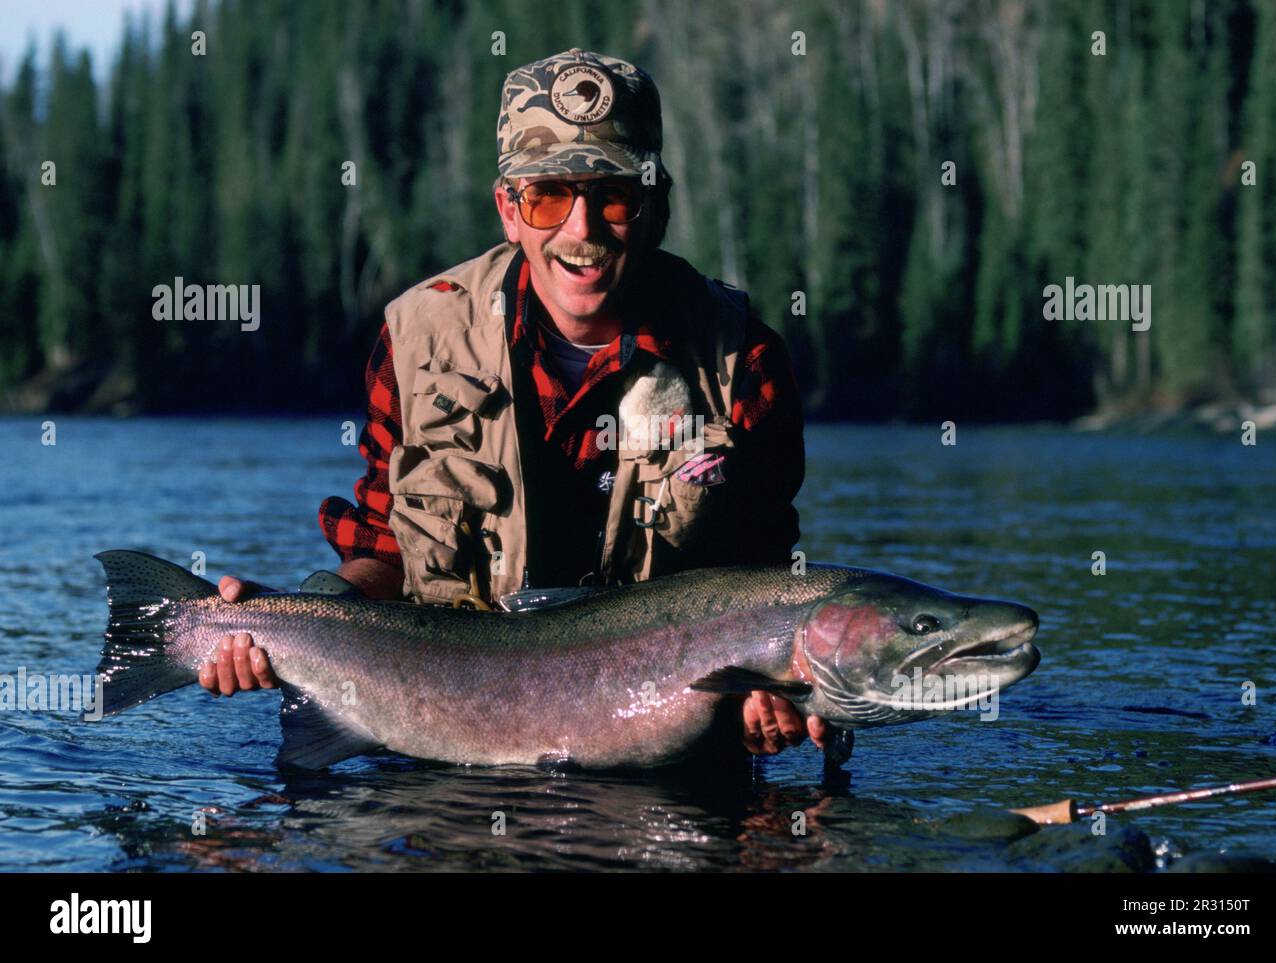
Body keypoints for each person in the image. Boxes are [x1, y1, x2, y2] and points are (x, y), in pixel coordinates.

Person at [200, 49, 832, 757]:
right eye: (548, 196)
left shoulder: (738, 360)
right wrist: (282, 623)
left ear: (655, 207)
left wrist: (774, 692)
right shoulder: (418, 341)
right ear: (509, 209)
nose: (581, 228)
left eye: (613, 194)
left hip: (662, 765)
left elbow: (764, 582)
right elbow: (384, 551)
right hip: (445, 744)